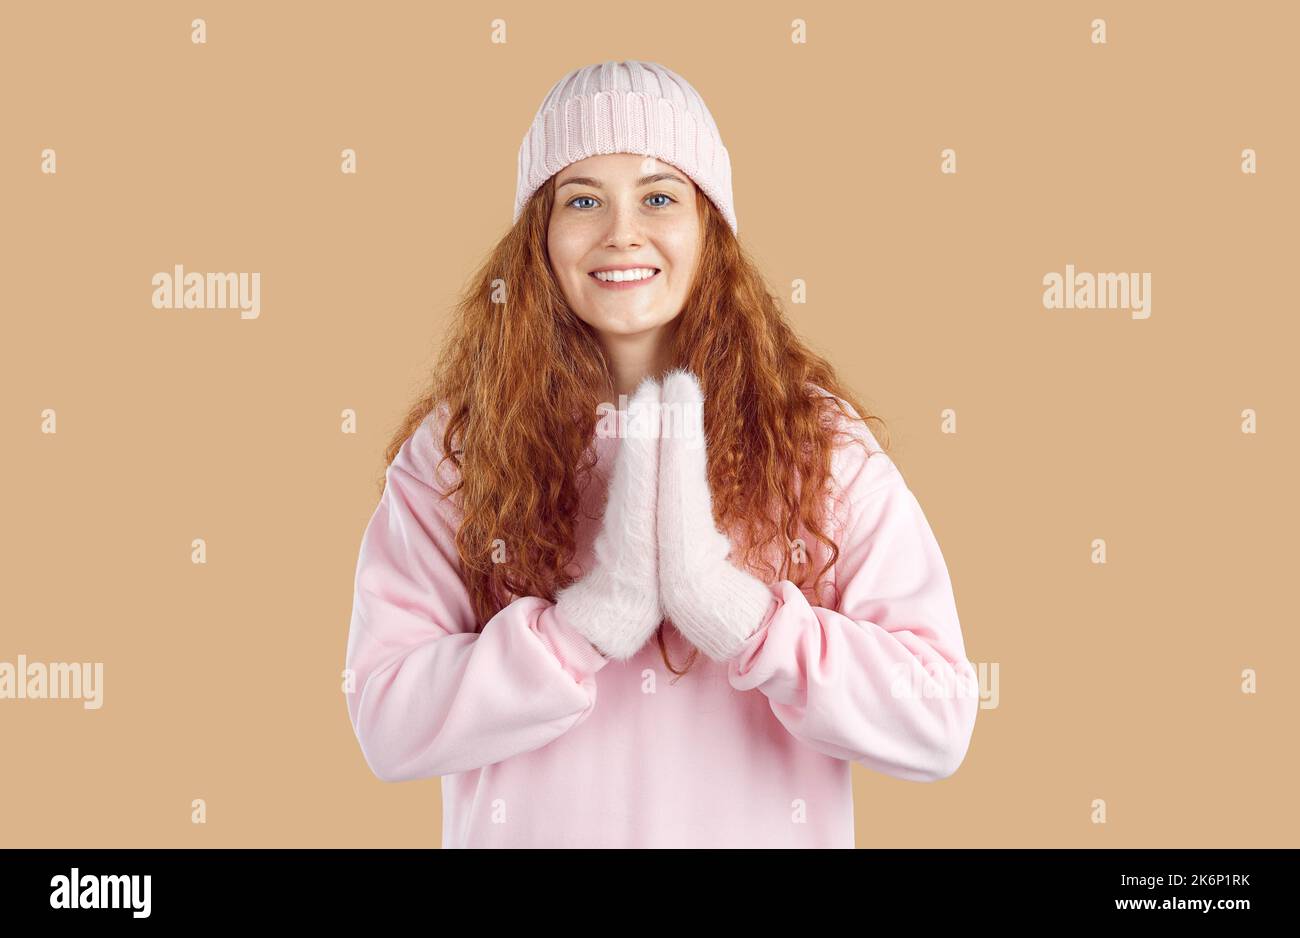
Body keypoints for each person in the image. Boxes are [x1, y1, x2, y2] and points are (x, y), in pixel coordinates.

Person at [343, 59, 978, 848]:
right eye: (582, 200)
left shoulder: (817, 441)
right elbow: (386, 720)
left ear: (710, 229)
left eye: (659, 196)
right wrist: (578, 629)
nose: (622, 232)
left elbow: (940, 719)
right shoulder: (455, 451)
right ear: (538, 239)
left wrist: (743, 619)